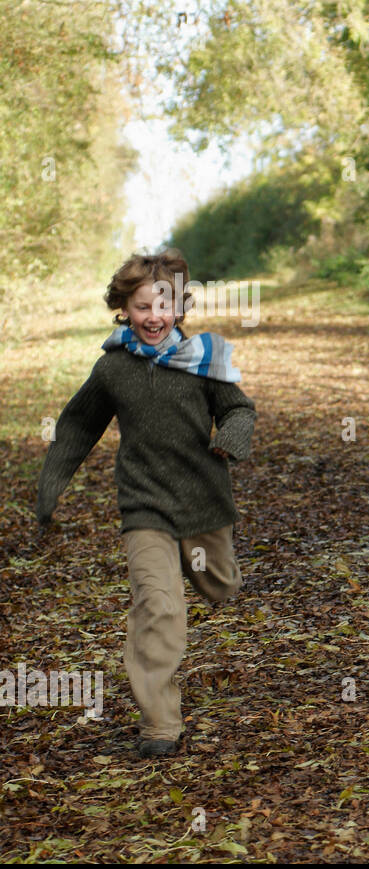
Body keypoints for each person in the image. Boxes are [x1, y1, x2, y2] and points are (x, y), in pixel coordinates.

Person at [35, 250, 256, 757]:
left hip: (203, 503)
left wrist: (234, 435)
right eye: (141, 307)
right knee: (156, 606)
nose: (153, 316)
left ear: (180, 307)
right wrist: (51, 486)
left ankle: (209, 575)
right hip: (144, 507)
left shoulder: (203, 359)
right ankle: (160, 723)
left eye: (164, 305)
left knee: (222, 588)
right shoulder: (113, 369)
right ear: (124, 309)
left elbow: (239, 407)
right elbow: (78, 425)